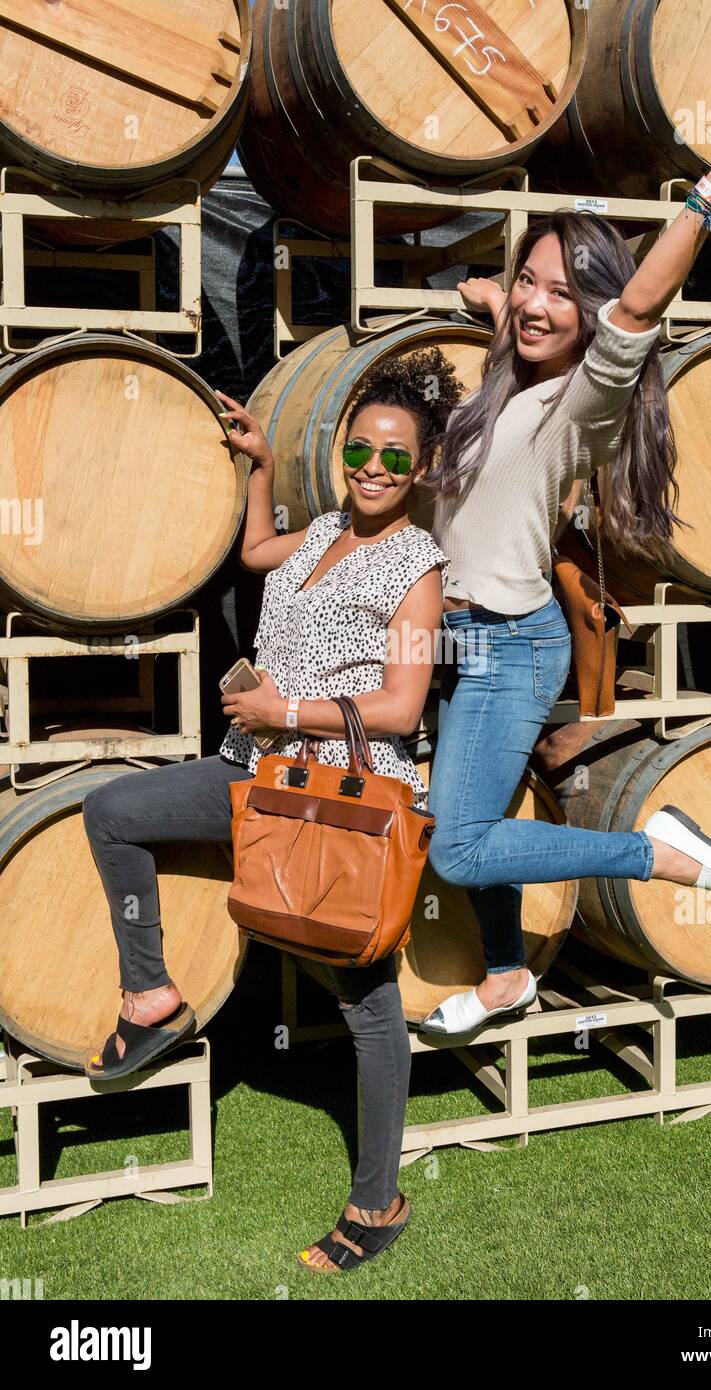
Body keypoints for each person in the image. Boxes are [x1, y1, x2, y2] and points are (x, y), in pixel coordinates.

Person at [417, 98, 711, 1037]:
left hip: (511, 645)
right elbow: (494, 301)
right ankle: (505, 975)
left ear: (598, 312)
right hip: (459, 640)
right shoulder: (511, 377)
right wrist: (488, 296)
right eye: (530, 281)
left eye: (564, 293)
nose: (533, 303)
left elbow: (641, 303)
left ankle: (659, 853)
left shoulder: (584, 398)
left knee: (463, 847)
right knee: (469, 809)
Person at [81, 349, 461, 1274]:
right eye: (361, 450)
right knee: (112, 811)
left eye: (396, 458)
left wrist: (285, 709)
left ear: (426, 469)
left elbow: (404, 709)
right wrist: (258, 465)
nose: (375, 469)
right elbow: (256, 555)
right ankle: (153, 995)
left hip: (334, 803)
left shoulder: (417, 567)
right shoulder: (324, 530)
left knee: (368, 1004)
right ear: (340, 451)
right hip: (252, 773)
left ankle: (378, 1203)